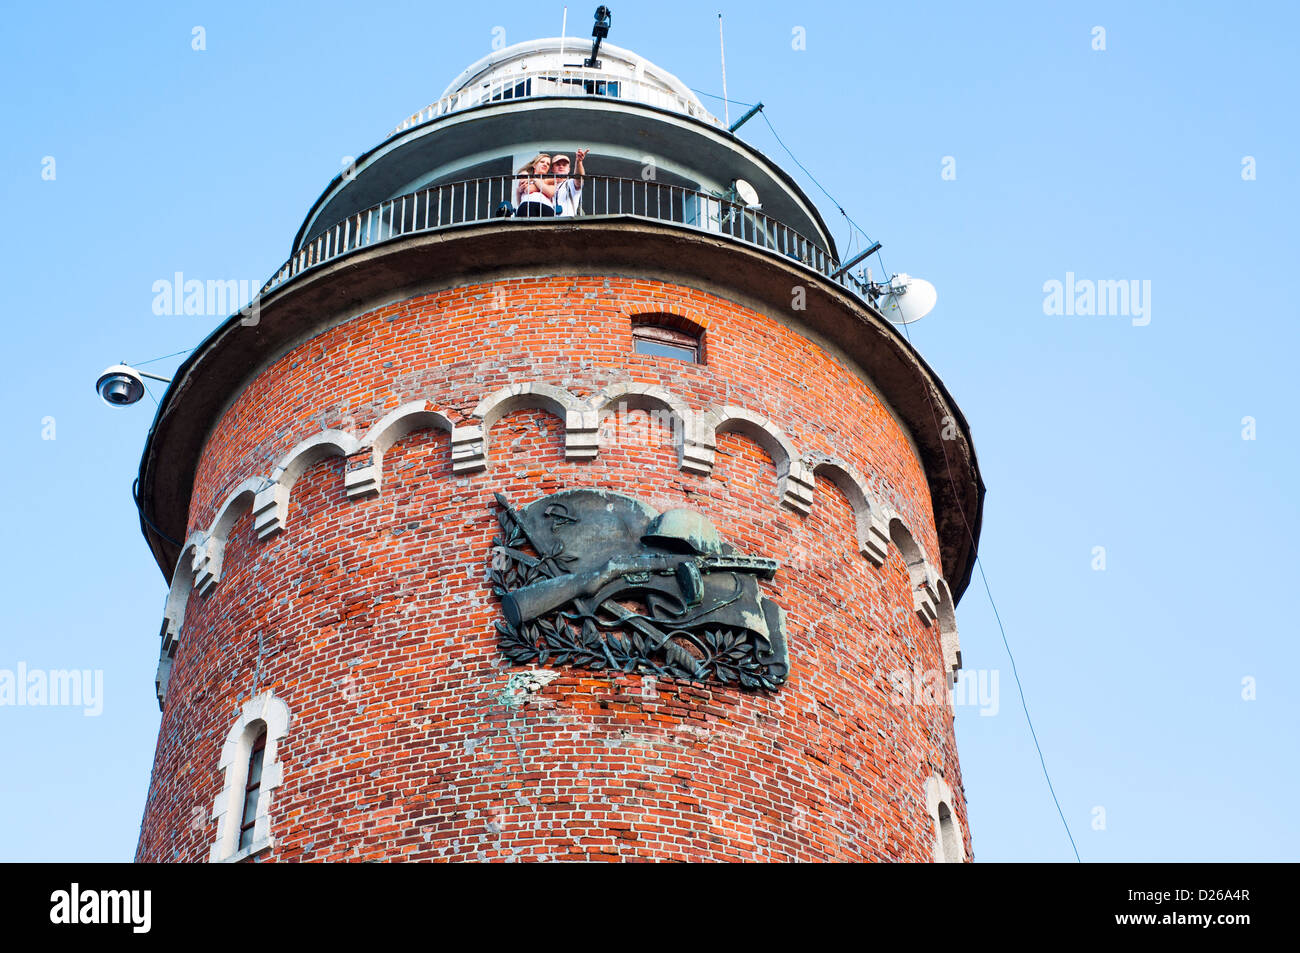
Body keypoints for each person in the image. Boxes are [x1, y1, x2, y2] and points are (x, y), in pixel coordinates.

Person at [550, 150, 588, 217]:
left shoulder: (570, 183)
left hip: (568, 223)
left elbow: (579, 178)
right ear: (552, 169)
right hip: (549, 224)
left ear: (569, 169)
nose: (561, 166)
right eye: (558, 165)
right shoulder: (547, 185)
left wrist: (579, 162)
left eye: (564, 165)